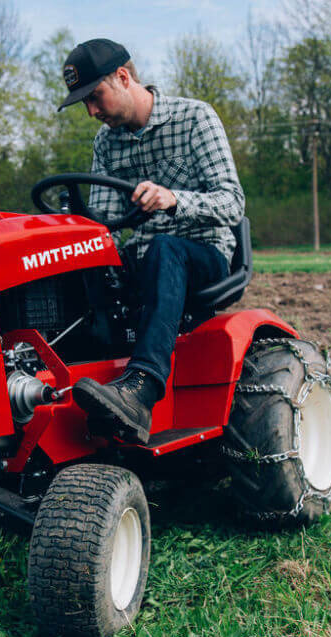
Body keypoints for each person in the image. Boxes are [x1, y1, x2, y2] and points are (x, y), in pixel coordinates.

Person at [58, 38, 245, 445]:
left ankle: (142, 387)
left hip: (202, 252)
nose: (91, 111)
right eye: (84, 103)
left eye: (94, 97)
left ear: (123, 77)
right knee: (74, 267)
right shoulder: (106, 143)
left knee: (165, 248)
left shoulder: (195, 118)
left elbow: (232, 203)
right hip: (142, 259)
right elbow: (103, 224)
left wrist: (174, 199)